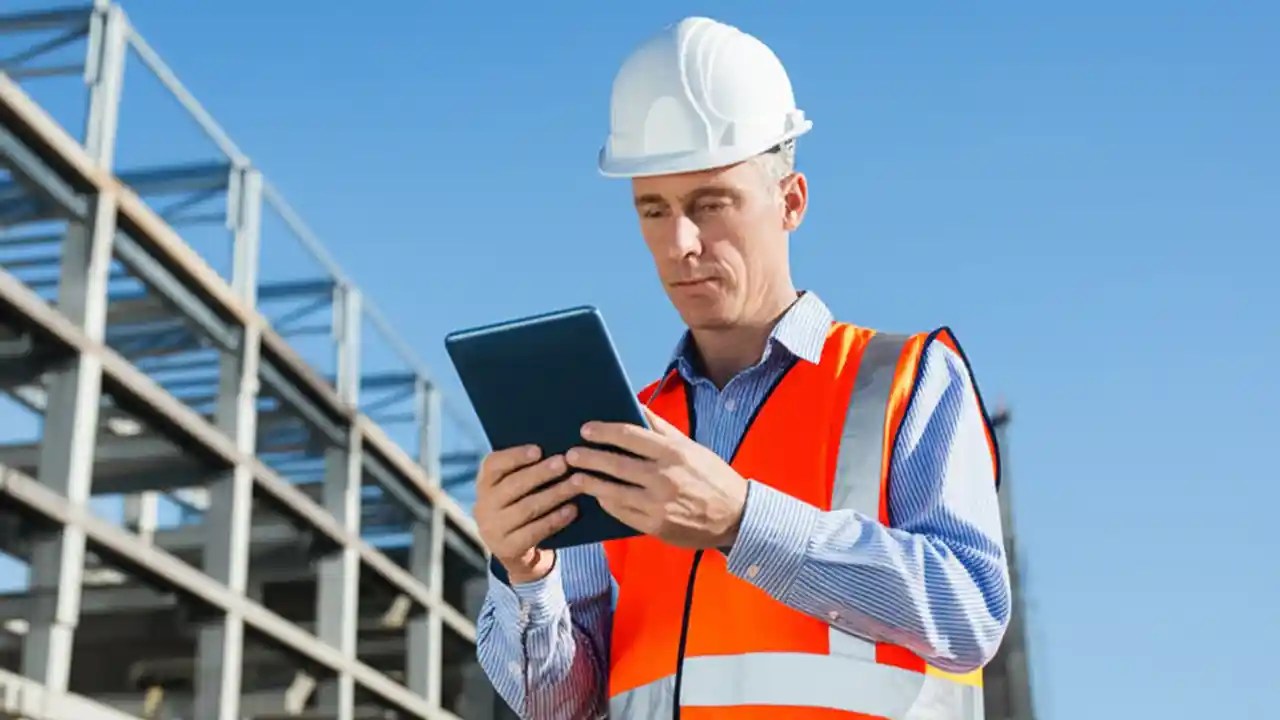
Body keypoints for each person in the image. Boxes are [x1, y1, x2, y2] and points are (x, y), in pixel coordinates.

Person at [472, 16, 1010, 720]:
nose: (680, 244)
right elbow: (558, 707)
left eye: (710, 204)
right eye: (653, 210)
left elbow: (970, 615)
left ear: (791, 201)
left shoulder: (904, 381)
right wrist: (526, 574)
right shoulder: (622, 429)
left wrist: (742, 520)